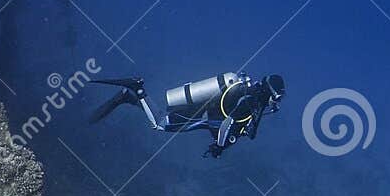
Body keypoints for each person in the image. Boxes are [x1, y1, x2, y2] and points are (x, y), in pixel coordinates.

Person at [90, 71, 286, 157]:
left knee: (161, 116)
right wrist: (219, 146)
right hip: (198, 116)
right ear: (269, 92)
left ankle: (130, 98)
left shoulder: (253, 99)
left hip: (203, 115)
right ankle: (136, 89)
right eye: (276, 97)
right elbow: (227, 124)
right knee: (160, 124)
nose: (276, 102)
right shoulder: (250, 101)